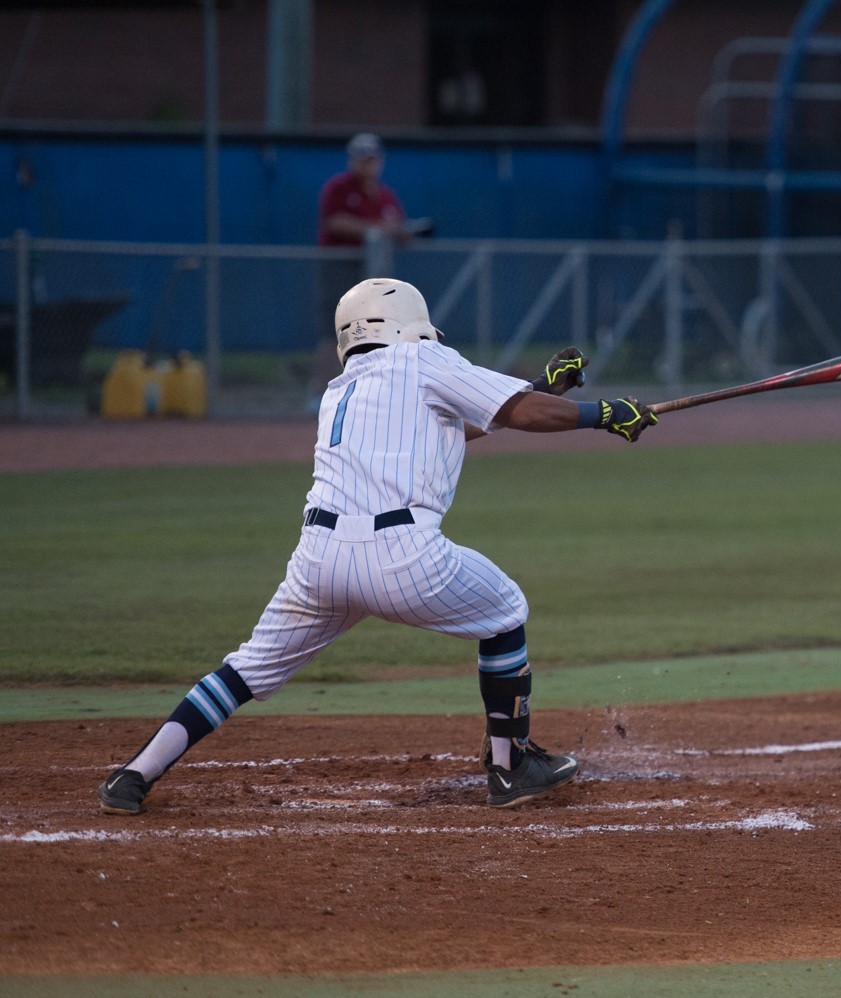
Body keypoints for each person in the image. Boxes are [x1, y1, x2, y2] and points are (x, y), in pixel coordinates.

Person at [98, 278, 659, 815]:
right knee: (504, 609)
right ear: (404, 321)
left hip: (319, 562)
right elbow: (513, 413)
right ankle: (511, 769)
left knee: (244, 672)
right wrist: (602, 415)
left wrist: (541, 389)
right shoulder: (422, 360)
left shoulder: (342, 389)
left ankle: (136, 774)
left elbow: (453, 424)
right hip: (403, 556)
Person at [309, 133, 414, 400]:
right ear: (352, 160)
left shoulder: (384, 195)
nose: (368, 165)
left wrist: (403, 232)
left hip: (375, 277)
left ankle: (372, 394)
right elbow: (335, 222)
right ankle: (320, 394)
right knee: (334, 331)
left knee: (379, 332)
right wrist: (378, 229)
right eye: (362, 159)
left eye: (372, 159)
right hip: (340, 269)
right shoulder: (339, 188)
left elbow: (397, 226)